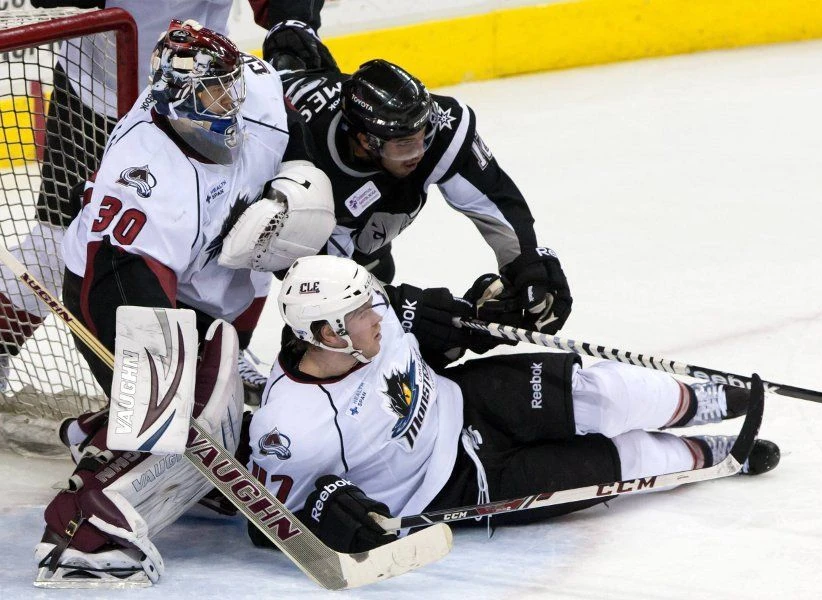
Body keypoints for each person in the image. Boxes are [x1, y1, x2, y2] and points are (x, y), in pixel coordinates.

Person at [31, 19, 332, 585]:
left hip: (203, 280)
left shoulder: (256, 92)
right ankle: (83, 530)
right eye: (214, 92)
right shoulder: (144, 176)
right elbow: (120, 293)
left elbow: (302, 110)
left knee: (216, 398)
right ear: (177, 98)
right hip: (110, 285)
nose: (231, 102)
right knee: (183, 402)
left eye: (231, 86)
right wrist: (166, 394)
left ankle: (96, 435)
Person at [244, 255, 780, 554]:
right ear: (327, 333)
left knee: (608, 396)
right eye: (361, 313)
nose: (376, 316)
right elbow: (266, 522)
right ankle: (713, 454)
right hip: (464, 485)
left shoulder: (373, 308)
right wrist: (329, 513)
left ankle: (708, 398)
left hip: (473, 399)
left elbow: (424, 320)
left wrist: (458, 314)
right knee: (616, 464)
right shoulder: (292, 427)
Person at [0, 0, 278, 395]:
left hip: (200, 101)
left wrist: (295, 29)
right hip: (99, 96)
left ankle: (220, 354)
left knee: (246, 233)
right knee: (56, 246)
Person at [262, 21, 573, 337]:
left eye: (424, 136)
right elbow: (316, 287)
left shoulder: (433, 127)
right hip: (297, 189)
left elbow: (492, 196)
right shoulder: (310, 175)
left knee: (377, 265)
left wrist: (528, 265)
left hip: (361, 216)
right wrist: (418, 311)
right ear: (365, 141)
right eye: (404, 144)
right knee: (342, 326)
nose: (420, 152)